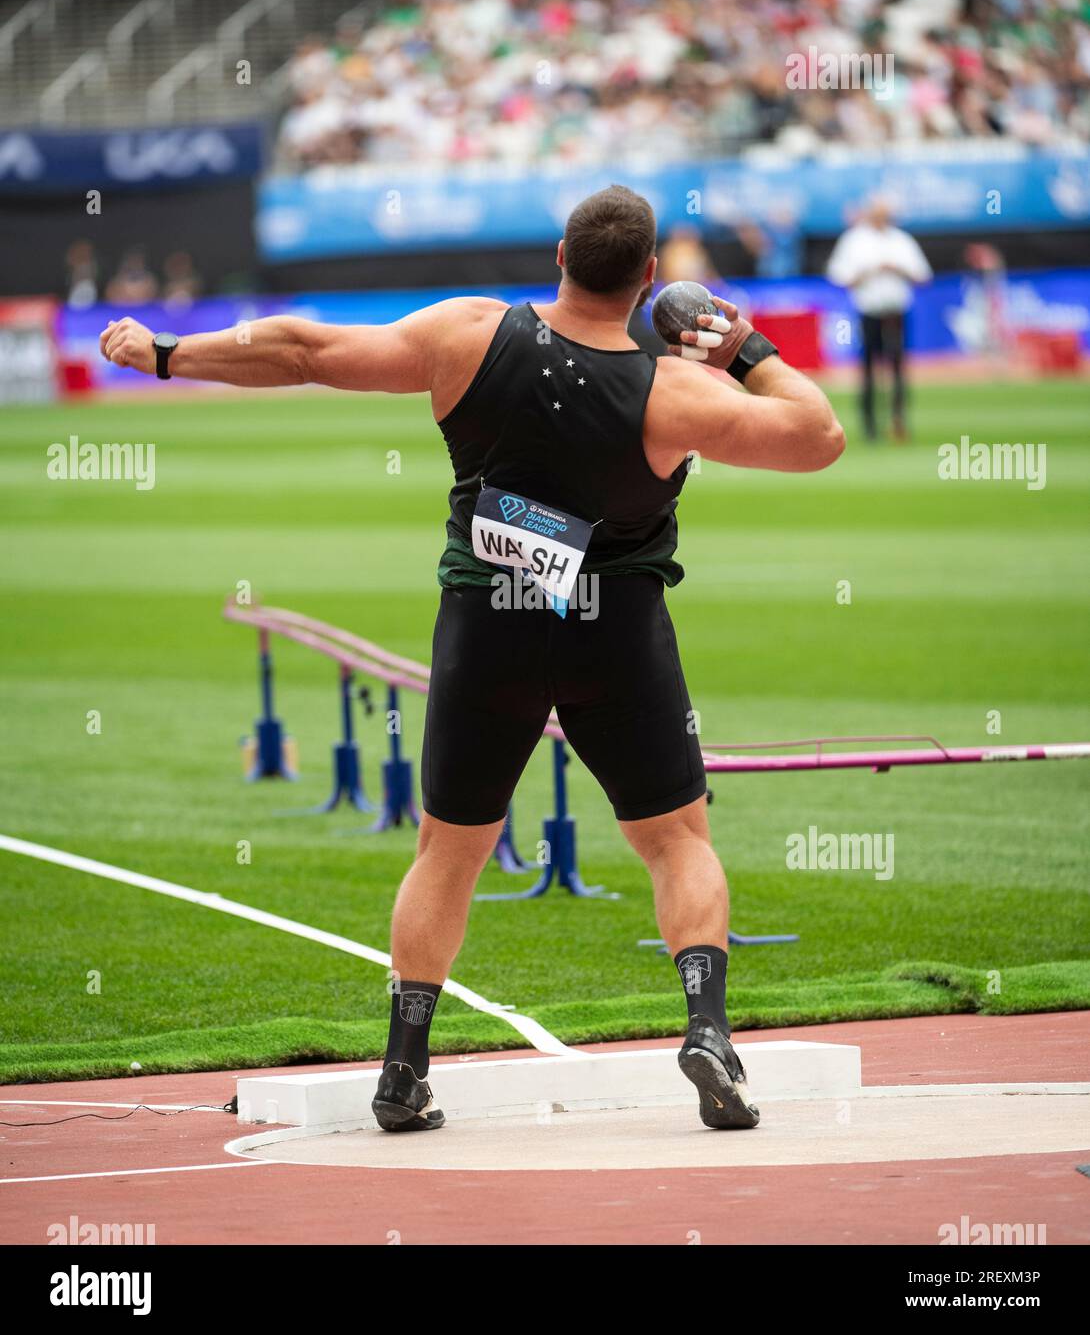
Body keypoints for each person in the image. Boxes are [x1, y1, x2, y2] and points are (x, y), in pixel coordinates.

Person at [99, 185, 844, 1135]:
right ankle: (708, 1033)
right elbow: (818, 436)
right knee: (675, 841)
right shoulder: (676, 392)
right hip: (614, 628)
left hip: (486, 621)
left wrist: (164, 355)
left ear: (558, 258)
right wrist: (748, 350)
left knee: (447, 852)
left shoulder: (468, 334)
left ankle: (403, 1070)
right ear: (651, 279)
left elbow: (303, 348)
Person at [826, 196, 933, 441]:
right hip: (869, 311)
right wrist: (867, 272)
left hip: (896, 311)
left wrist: (898, 269)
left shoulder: (901, 240)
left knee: (898, 367)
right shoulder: (854, 240)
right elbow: (838, 276)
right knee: (868, 368)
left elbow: (923, 275)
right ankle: (870, 425)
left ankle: (898, 420)